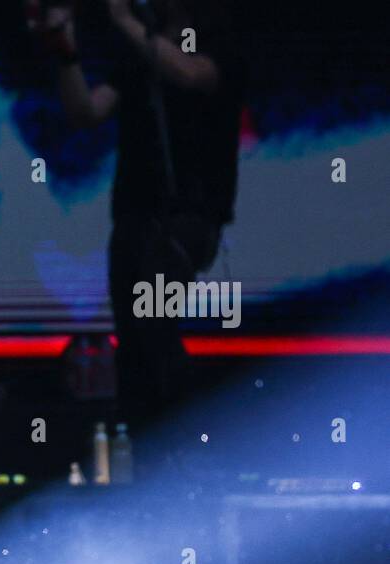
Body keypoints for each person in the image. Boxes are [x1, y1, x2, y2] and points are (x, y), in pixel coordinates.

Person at [29, 0, 242, 427]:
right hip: (134, 213)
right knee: (132, 337)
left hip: (188, 214)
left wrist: (126, 22)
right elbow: (87, 111)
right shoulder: (138, 53)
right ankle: (144, 451)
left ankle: (187, 442)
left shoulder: (220, 43)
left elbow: (189, 73)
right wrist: (65, 50)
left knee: (154, 322)